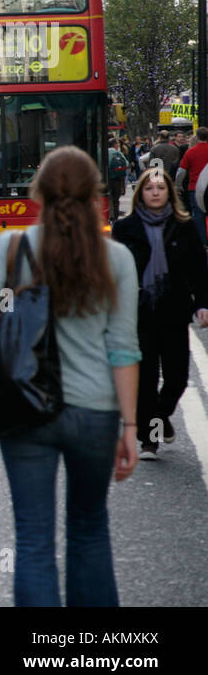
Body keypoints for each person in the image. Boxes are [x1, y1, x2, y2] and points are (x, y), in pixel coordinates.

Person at [0, 145, 140, 607]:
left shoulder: (12, 247)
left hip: (25, 405)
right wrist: (131, 428)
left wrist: (14, 300)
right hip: (96, 414)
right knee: (90, 530)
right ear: (95, 195)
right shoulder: (116, 258)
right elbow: (123, 351)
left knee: (34, 541)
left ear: (37, 193)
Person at [111, 167, 208, 459]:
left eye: (161, 188)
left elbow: (199, 271)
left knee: (177, 378)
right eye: (149, 188)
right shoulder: (125, 228)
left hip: (174, 310)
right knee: (147, 379)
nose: (155, 193)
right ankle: (150, 440)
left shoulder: (184, 226)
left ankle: (160, 419)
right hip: (137, 313)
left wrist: (203, 303)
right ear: (140, 192)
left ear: (169, 193)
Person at [175, 127, 208, 247]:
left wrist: (177, 186)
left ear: (197, 137)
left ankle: (202, 242)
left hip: (195, 188)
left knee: (198, 215)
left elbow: (181, 171)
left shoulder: (191, 152)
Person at [106, 137, 128, 218]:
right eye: (117, 144)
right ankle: (115, 215)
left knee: (108, 197)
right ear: (115, 145)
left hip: (107, 178)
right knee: (116, 198)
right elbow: (126, 164)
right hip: (117, 179)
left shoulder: (104, 152)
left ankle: (109, 214)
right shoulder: (118, 153)